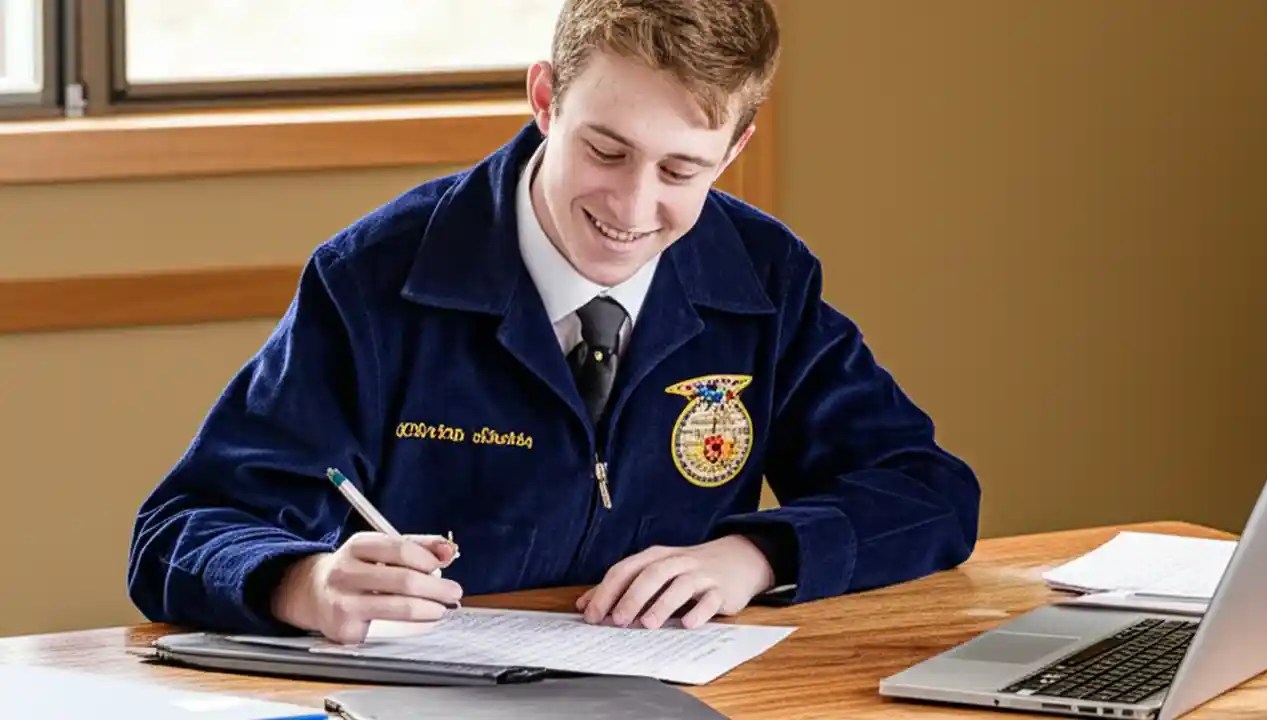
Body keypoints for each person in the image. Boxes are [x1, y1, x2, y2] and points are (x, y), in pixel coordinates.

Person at [127, 0, 980, 644]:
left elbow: (928, 490)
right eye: (605, 150)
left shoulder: (764, 276)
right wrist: (304, 582)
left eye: (682, 168)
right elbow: (178, 531)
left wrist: (755, 556)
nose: (632, 206)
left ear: (735, 149)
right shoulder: (374, 279)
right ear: (545, 98)